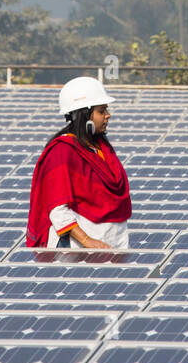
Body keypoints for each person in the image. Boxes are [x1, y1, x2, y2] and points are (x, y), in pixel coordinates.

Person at [26, 76, 132, 250]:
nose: (108, 115)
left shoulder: (102, 149)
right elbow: (57, 207)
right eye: (101, 111)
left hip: (111, 248)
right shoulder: (62, 151)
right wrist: (87, 241)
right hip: (79, 254)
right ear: (85, 114)